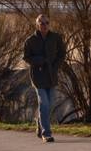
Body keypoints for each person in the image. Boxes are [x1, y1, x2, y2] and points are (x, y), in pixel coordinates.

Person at [23, 14, 65, 142]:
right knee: (44, 103)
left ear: (49, 24)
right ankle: (46, 133)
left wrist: (56, 65)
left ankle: (39, 122)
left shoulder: (55, 37)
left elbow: (62, 53)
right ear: (37, 24)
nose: (44, 25)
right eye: (41, 23)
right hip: (38, 76)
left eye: (46, 23)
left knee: (50, 104)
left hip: (52, 76)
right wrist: (40, 61)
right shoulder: (30, 40)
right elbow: (26, 57)